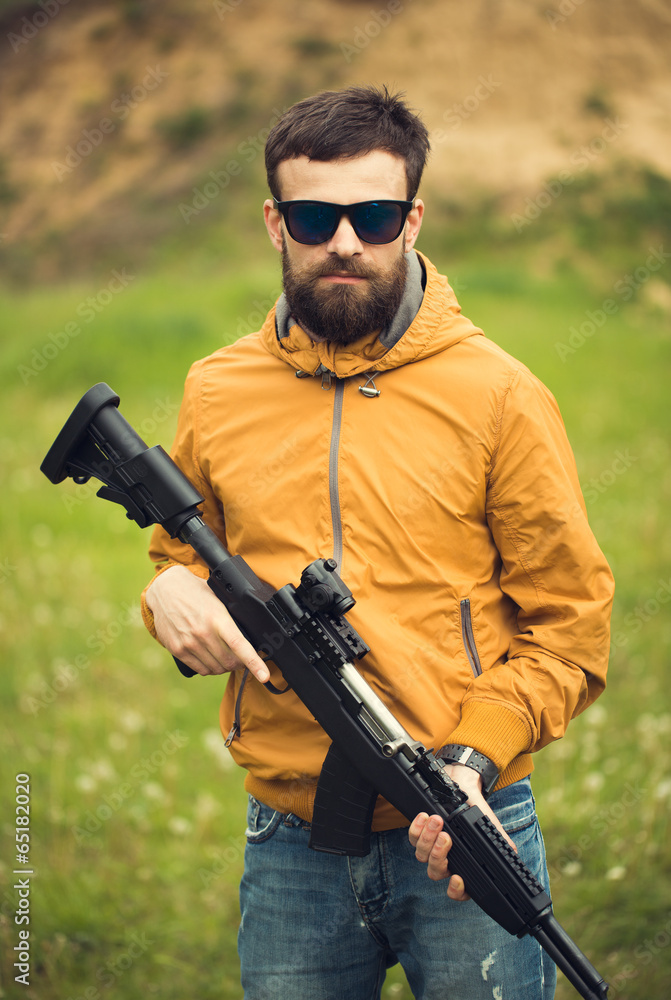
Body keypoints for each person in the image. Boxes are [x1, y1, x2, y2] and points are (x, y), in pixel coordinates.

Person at [141, 86, 614, 1000]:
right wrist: (167, 591)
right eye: (316, 217)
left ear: (412, 218)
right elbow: (181, 551)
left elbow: (570, 626)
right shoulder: (218, 388)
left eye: (375, 214)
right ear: (276, 223)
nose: (345, 242)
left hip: (465, 833)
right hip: (290, 844)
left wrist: (472, 758)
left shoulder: (498, 394)